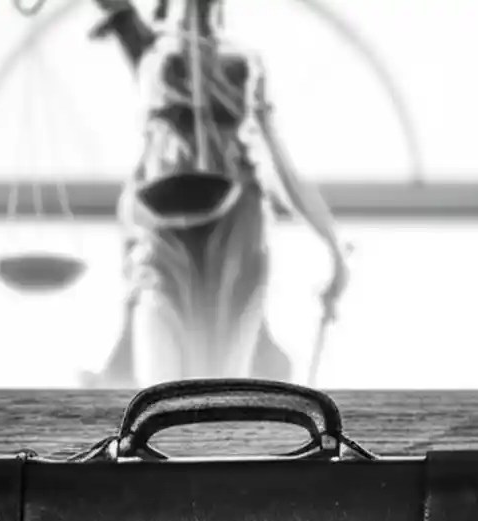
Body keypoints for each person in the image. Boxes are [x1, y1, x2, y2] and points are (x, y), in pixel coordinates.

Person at [82, 0, 349, 388]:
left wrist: (334, 249)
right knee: (157, 380)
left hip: (236, 231)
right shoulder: (157, 61)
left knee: (222, 385)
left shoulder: (243, 64)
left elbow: (280, 166)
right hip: (163, 231)